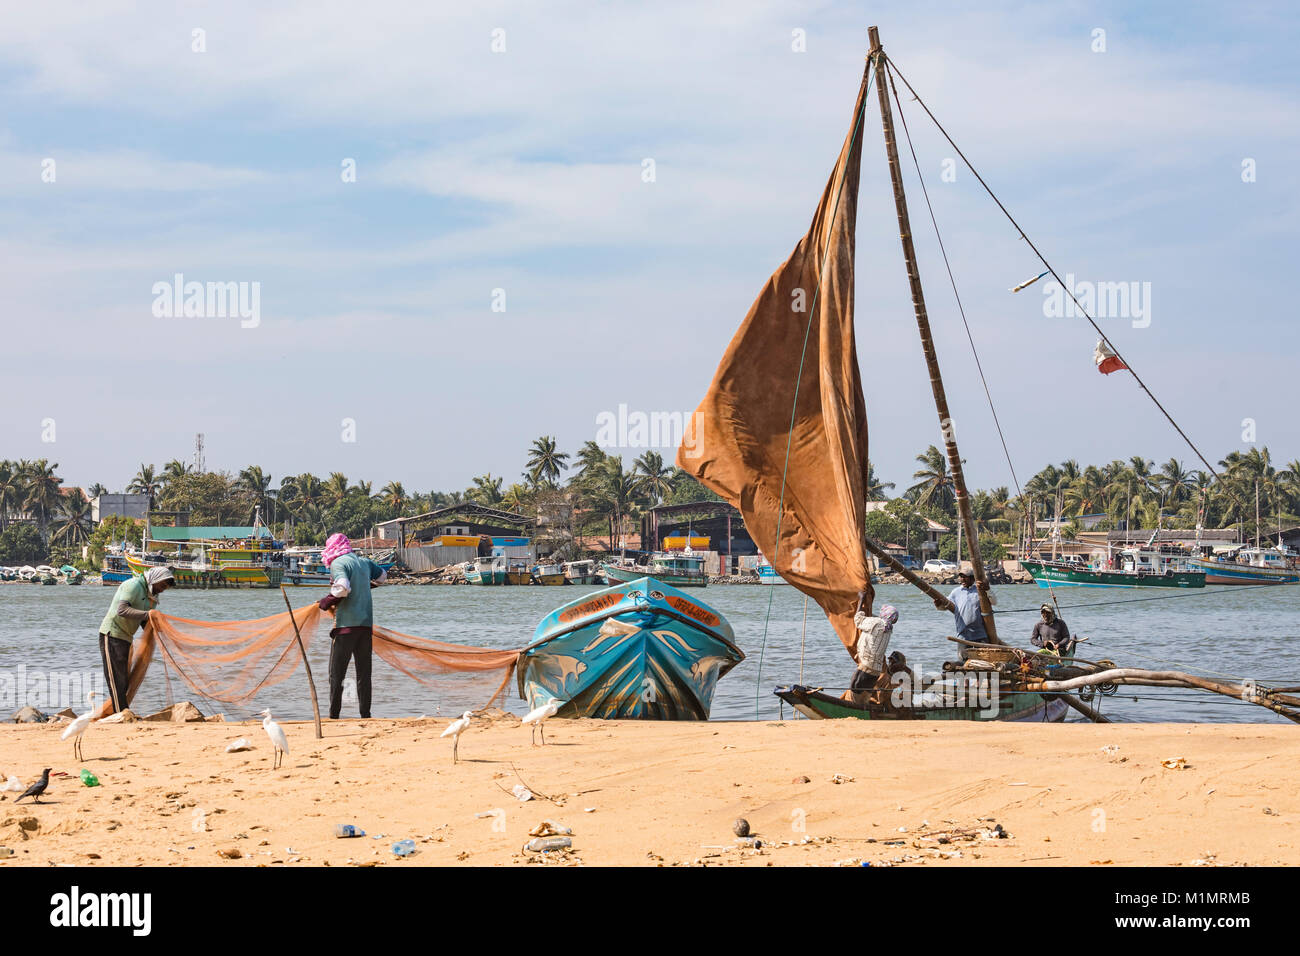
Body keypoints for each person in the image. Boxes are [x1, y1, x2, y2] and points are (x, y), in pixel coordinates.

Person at [317, 533, 387, 720]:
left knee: (336, 674)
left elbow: (342, 587)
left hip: (345, 628)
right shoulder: (364, 562)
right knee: (364, 674)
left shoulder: (338, 564)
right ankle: (365, 714)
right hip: (365, 627)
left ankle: (334, 715)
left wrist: (325, 601)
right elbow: (382, 577)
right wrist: (364, 585)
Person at [98, 566, 174, 713]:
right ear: (155, 579)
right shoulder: (133, 585)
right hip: (111, 633)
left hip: (126, 637)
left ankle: (120, 711)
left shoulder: (151, 596)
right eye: (162, 585)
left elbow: (144, 621)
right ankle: (122, 713)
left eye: (165, 588)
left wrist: (159, 630)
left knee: (124, 680)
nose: (163, 589)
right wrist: (149, 615)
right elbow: (122, 610)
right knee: (115, 678)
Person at [845, 594, 898, 704]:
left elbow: (858, 620)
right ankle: (865, 709)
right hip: (876, 669)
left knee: (854, 688)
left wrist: (860, 599)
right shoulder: (888, 628)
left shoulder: (877, 623)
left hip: (867, 665)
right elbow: (873, 619)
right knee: (866, 693)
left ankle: (854, 710)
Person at [948, 566, 997, 643]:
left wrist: (988, 589)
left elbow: (994, 602)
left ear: (972, 578)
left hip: (980, 635)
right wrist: (938, 605)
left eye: (965, 577)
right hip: (962, 636)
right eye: (961, 576)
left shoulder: (980, 590)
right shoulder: (955, 592)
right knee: (963, 655)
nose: (963, 579)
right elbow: (944, 606)